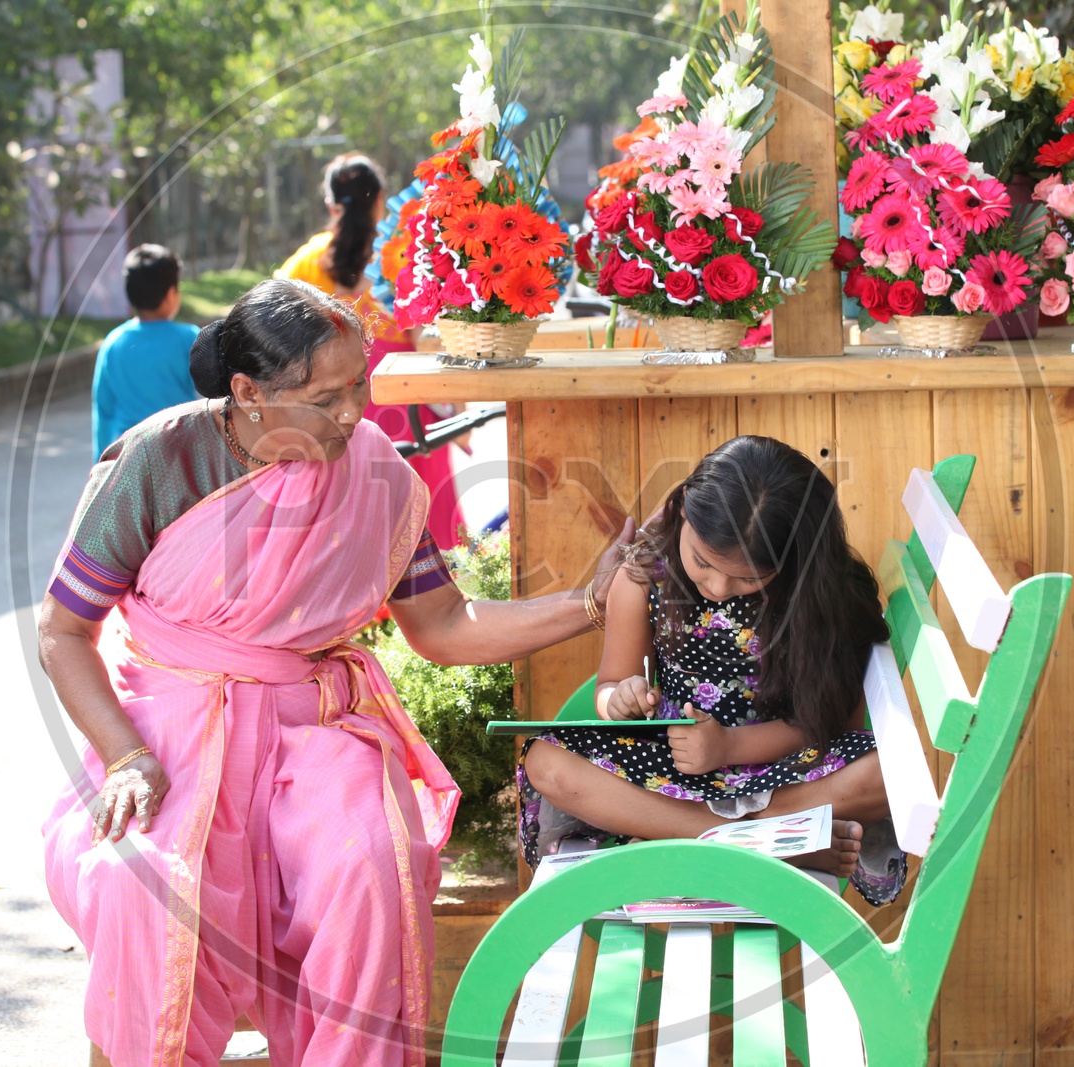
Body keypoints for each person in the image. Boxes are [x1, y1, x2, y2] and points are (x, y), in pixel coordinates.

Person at [39, 278, 632, 1067]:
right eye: (326, 397)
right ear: (247, 392)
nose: (354, 413)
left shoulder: (375, 471)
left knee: (367, 864)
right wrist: (123, 754)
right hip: (169, 733)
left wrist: (593, 599)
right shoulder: (160, 457)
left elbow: (446, 626)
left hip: (312, 732)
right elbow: (62, 629)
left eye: (361, 384)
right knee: (139, 884)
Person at [518, 435, 907, 905]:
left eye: (747, 577)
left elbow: (821, 725)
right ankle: (769, 844)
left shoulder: (816, 599)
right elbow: (609, 686)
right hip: (671, 771)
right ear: (682, 512)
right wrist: (619, 699)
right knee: (545, 761)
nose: (718, 586)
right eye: (702, 561)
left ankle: (697, 838)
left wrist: (727, 746)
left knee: (889, 772)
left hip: (782, 770)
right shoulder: (644, 578)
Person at [276, 153, 469, 547]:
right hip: (407, 400)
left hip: (337, 409)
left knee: (350, 525)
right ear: (381, 198)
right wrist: (459, 408)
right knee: (426, 527)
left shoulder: (307, 262)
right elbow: (429, 336)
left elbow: (272, 325)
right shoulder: (404, 253)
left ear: (330, 204)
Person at [90, 244, 200, 460]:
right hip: (180, 454)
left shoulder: (114, 342)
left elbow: (103, 409)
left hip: (129, 456)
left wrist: (99, 462)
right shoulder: (189, 338)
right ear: (171, 293)